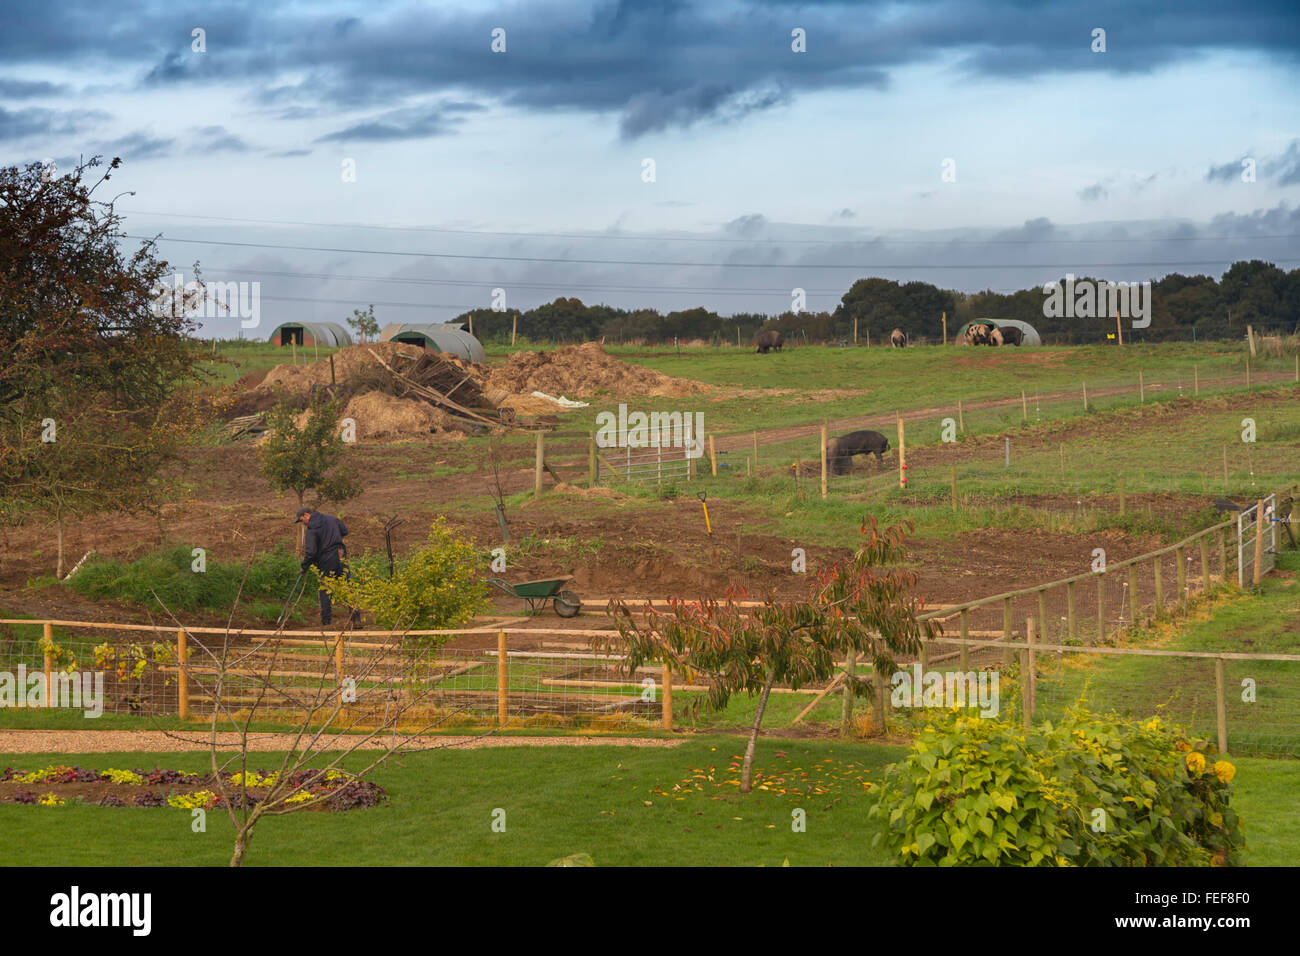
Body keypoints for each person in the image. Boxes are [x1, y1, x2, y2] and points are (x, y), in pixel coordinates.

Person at [296, 506, 360, 626]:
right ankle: (356, 618)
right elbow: (345, 531)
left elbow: (311, 552)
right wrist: (335, 538)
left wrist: (304, 566)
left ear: (306, 515)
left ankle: (326, 621)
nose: (302, 523)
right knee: (348, 586)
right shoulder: (332, 519)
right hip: (340, 554)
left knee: (325, 588)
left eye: (301, 520)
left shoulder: (312, 529)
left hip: (326, 559)